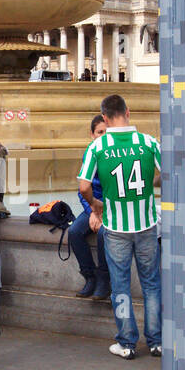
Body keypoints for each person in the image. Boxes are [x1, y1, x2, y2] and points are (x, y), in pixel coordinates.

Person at [78, 94, 162, 359]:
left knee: (121, 286)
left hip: (116, 227)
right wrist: (149, 183)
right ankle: (156, 341)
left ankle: (126, 343)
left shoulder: (98, 146)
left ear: (104, 118)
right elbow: (169, 173)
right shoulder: (148, 142)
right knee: (151, 284)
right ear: (128, 111)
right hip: (146, 223)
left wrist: (95, 205)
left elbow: (83, 186)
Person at [70, 115, 111, 299]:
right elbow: (82, 190)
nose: (103, 136)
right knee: (74, 232)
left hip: (114, 208)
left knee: (103, 234)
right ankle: (89, 276)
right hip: (94, 206)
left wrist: (102, 213)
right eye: (99, 132)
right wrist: (93, 211)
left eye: (107, 132)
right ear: (92, 135)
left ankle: (104, 278)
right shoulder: (90, 153)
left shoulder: (117, 153)